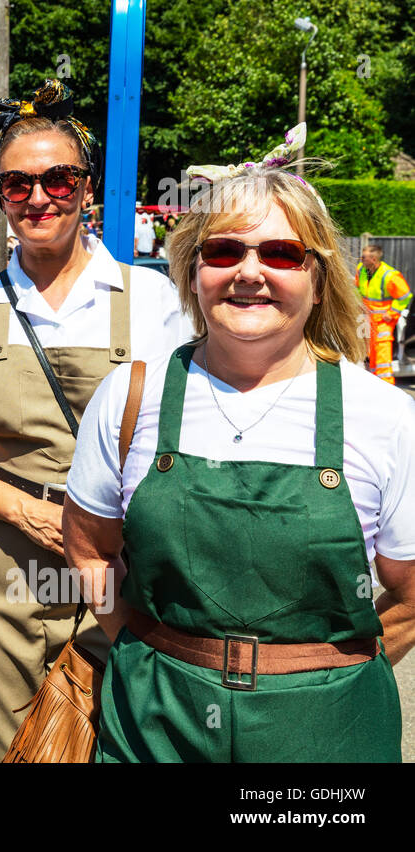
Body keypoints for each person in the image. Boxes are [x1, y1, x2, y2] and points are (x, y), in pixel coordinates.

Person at [64, 124, 415, 762]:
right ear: (193, 270)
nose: (250, 273)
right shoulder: (130, 397)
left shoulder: (384, 416)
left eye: (282, 254)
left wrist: (321, 674)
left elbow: (413, 593)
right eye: (224, 251)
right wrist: (149, 654)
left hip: (327, 733)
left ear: (317, 274)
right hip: (156, 722)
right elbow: (89, 551)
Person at [0, 79, 189, 763]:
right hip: (2, 560)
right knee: (5, 746)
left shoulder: (152, 300)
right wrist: (29, 514)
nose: (38, 198)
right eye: (17, 185)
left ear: (87, 187)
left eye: (58, 179)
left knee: (121, 736)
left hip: (124, 556)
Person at [356, 243, 411, 384]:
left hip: (383, 322)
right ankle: (375, 385)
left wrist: (392, 313)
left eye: (364, 257)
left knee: (382, 359)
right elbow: (358, 289)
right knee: (370, 355)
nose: (361, 259)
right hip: (367, 319)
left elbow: (405, 296)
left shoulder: (390, 275)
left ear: (373, 259)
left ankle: (386, 387)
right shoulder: (361, 270)